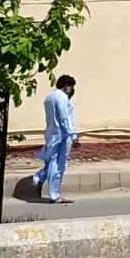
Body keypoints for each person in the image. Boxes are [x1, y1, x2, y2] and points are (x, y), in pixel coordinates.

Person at [33, 75, 78, 204]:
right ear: (66, 86)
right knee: (59, 165)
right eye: (71, 86)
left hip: (51, 133)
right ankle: (54, 194)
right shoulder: (62, 98)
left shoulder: (49, 97)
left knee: (52, 162)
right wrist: (73, 135)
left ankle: (39, 178)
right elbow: (64, 118)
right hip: (62, 135)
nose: (72, 90)